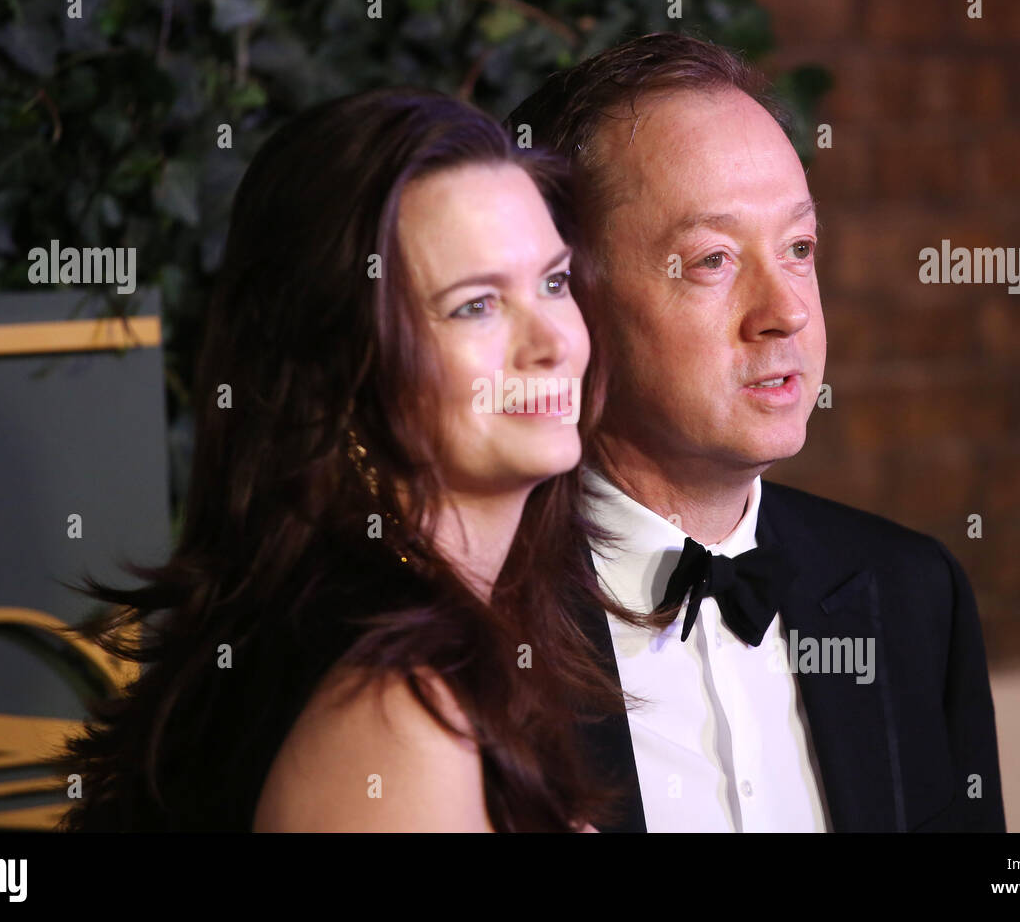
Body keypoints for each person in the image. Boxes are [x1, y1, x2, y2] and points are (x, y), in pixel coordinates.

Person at [55, 88, 650, 832]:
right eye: (476, 305)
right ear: (343, 369)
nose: (555, 341)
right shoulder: (396, 703)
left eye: (554, 282)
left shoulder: (351, 626)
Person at [508, 32, 1006, 832]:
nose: (788, 313)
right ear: (568, 296)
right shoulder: (470, 629)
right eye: (711, 259)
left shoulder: (913, 594)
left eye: (799, 247)